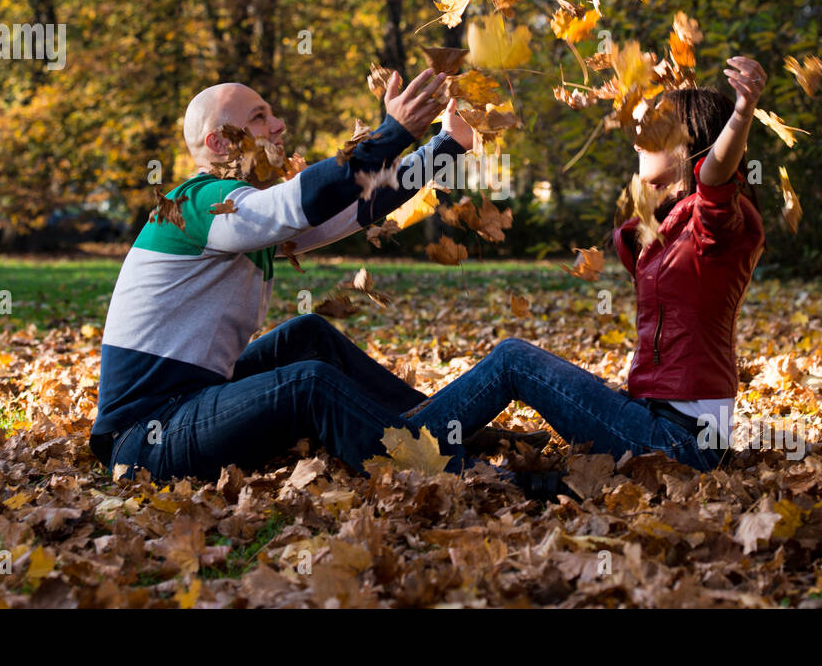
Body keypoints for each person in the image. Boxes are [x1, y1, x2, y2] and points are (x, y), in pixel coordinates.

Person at [89, 69, 536, 482]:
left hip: (195, 400)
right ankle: (465, 475)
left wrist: (446, 145)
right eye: (260, 118)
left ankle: (447, 432)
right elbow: (297, 204)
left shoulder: (240, 215)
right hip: (146, 437)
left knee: (308, 335)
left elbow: (351, 207)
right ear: (220, 144)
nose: (279, 125)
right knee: (308, 382)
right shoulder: (199, 204)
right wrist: (391, 133)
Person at [406, 57, 769, 476]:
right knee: (522, 377)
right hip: (657, 421)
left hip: (682, 441)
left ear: (691, 145)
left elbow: (717, 176)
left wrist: (742, 113)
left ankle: (405, 442)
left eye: (655, 134)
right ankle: (423, 437)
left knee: (513, 359)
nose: (637, 143)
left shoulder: (719, 224)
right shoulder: (666, 225)